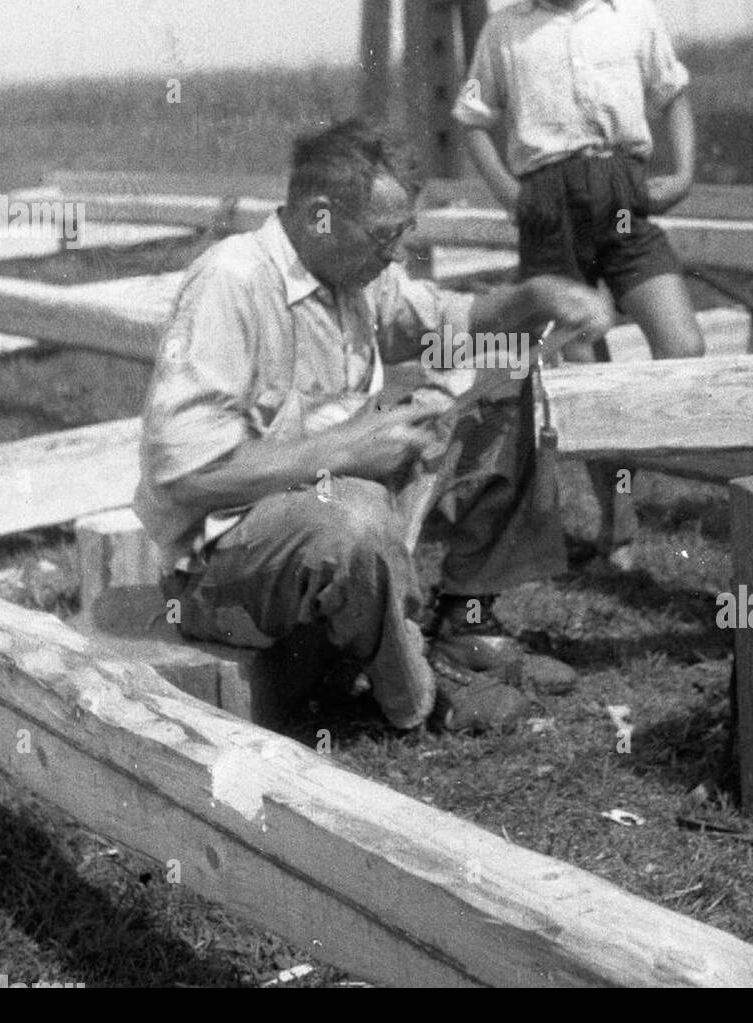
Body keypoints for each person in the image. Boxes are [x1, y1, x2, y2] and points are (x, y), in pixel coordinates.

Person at [133, 118, 611, 734]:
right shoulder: (233, 282)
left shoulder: (350, 273)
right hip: (220, 570)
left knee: (500, 391)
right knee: (349, 519)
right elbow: (184, 475)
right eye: (385, 236)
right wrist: (349, 451)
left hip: (324, 499)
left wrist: (538, 296)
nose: (396, 253)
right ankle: (415, 699)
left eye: (402, 233)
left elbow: (443, 323)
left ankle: (467, 624)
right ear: (320, 215)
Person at [451, 0, 704, 565]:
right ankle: (617, 522)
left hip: (624, 194)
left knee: (682, 347)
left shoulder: (634, 14)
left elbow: (674, 92)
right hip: (549, 208)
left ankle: (665, 477)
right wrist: (512, 196)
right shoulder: (507, 30)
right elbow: (472, 118)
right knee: (586, 374)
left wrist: (681, 175)